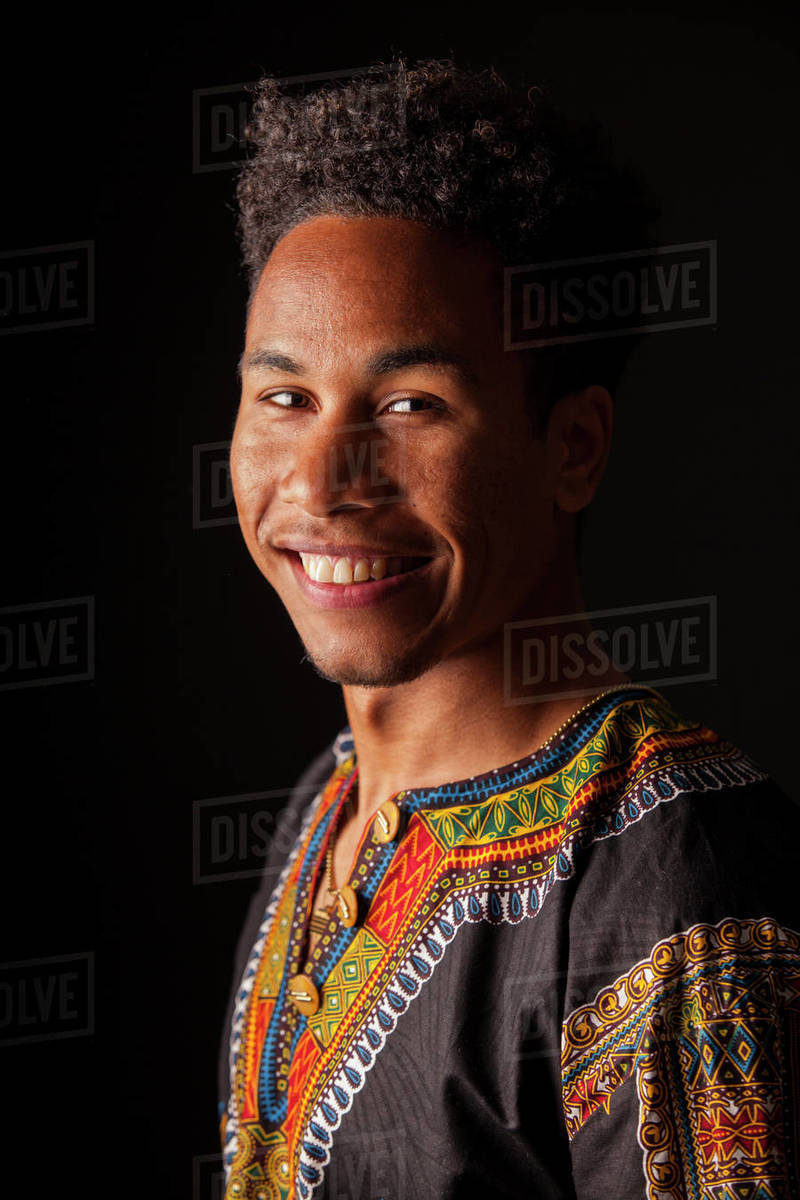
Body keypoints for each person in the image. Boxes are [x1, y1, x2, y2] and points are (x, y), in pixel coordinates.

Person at [217, 58, 800, 1199]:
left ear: (571, 447)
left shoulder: (672, 884)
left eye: (408, 407)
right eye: (283, 397)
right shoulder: (326, 813)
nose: (323, 481)